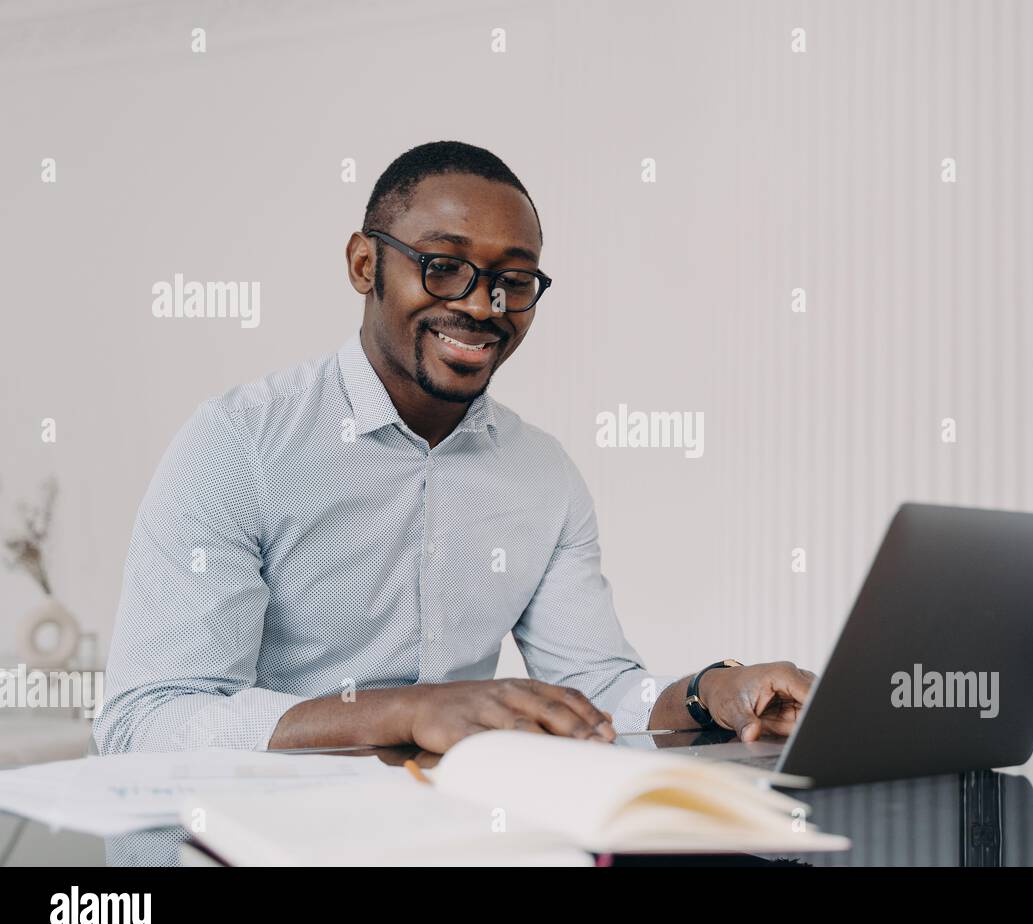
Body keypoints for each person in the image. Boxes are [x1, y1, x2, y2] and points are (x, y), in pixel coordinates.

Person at [94, 141, 814, 757]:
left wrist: (709, 692)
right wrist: (404, 711)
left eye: (514, 280)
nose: (481, 306)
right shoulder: (238, 442)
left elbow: (595, 694)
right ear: (363, 264)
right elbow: (147, 719)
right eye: (443, 266)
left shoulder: (545, 476)